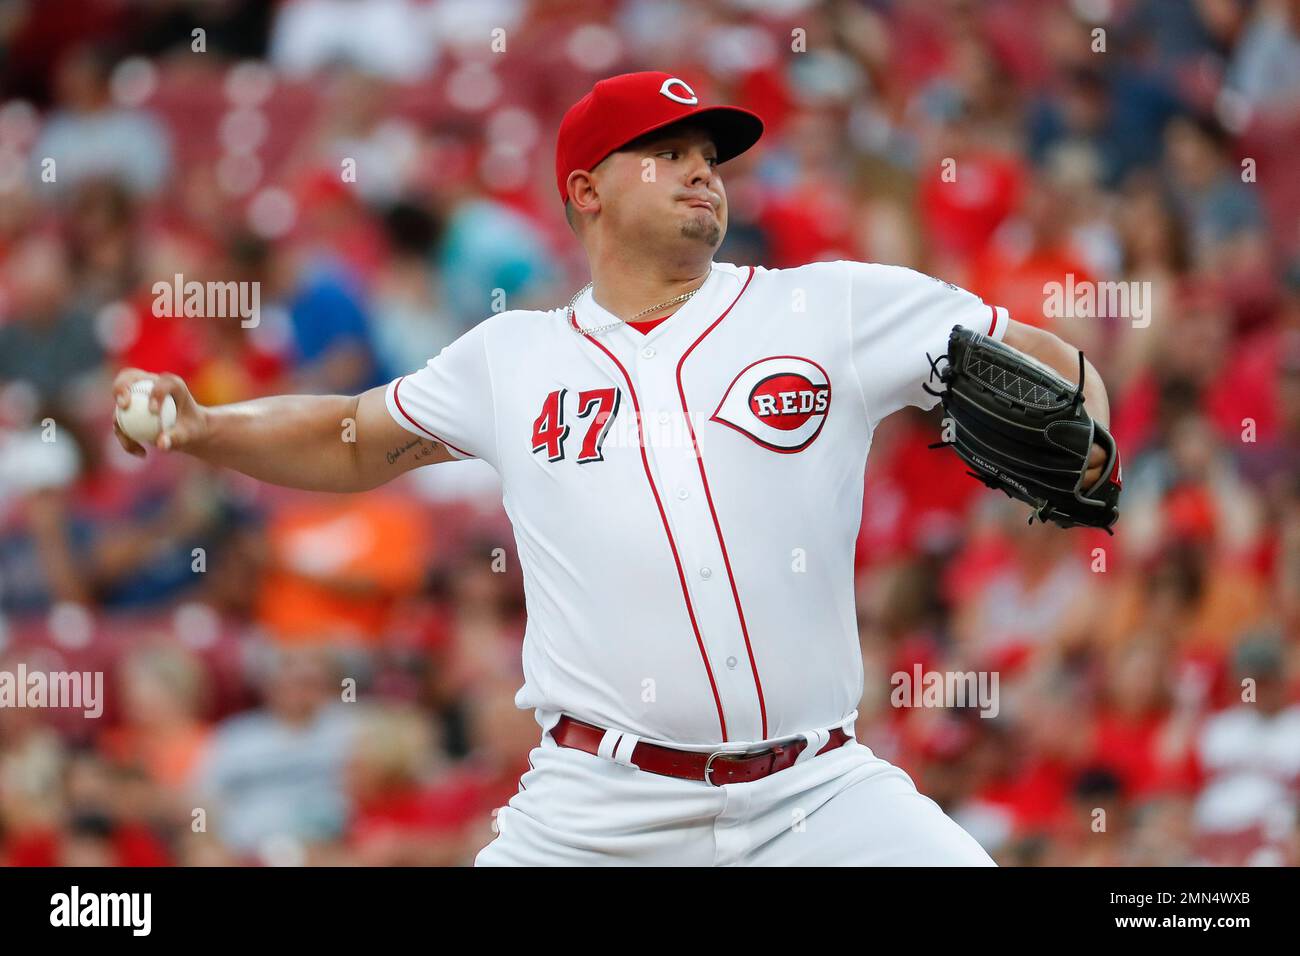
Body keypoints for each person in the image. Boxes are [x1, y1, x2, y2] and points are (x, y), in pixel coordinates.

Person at [112, 71, 1111, 866]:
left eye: (708, 157)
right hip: (601, 810)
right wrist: (204, 425)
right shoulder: (512, 358)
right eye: (665, 153)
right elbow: (346, 434)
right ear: (585, 191)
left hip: (819, 795)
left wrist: (1091, 425)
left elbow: (1047, 362)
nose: (700, 171)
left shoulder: (830, 306)